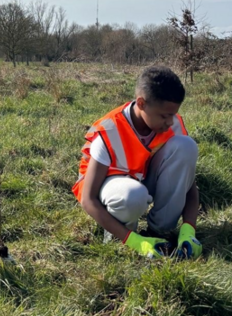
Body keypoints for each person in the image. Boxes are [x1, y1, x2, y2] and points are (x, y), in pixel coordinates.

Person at [74, 66, 201, 259]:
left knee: (187, 146)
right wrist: (134, 241)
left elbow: (189, 186)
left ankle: (160, 233)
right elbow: (88, 200)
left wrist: (189, 230)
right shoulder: (110, 131)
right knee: (132, 195)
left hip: (142, 180)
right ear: (141, 103)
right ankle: (121, 236)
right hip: (112, 190)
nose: (170, 122)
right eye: (164, 116)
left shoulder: (172, 125)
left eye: (173, 114)